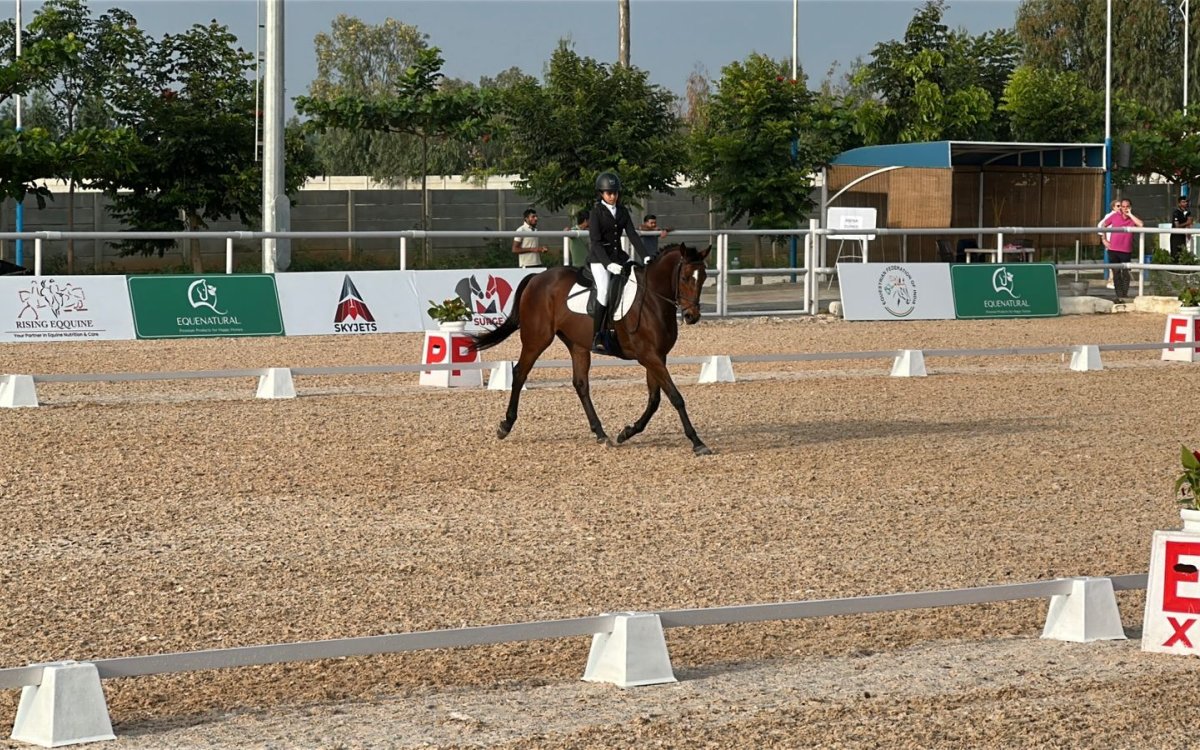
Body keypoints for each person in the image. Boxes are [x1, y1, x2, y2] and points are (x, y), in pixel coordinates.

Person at [588, 171, 648, 354]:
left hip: (619, 257)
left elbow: (632, 234)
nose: (612, 196)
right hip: (600, 260)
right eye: (608, 193)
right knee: (605, 291)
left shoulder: (622, 211)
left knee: (636, 282)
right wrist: (607, 264)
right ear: (601, 194)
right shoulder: (596, 212)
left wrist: (645, 255)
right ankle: (597, 336)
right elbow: (596, 242)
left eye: (615, 192)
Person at [1099, 198, 1143, 303]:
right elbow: (1103, 225)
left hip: (1126, 250)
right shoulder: (1114, 216)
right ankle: (1119, 295)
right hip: (1113, 249)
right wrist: (1104, 239)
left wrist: (1130, 214)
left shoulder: (1133, 218)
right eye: (1123, 206)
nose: (1124, 208)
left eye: (1127, 206)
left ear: (1130, 207)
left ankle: (1124, 294)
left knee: (1126, 273)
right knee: (1116, 273)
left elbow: (1141, 224)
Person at [1098, 199, 1120, 288]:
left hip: (1119, 243)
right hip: (1111, 242)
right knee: (1114, 262)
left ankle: (1115, 281)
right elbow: (1100, 226)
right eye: (1118, 206)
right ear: (1113, 207)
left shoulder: (1121, 216)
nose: (1120, 208)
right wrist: (1104, 239)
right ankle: (1111, 281)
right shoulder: (1109, 216)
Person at [1172, 195, 1193, 263]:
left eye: (1186, 202)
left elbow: (1189, 223)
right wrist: (1187, 223)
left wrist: (1189, 232)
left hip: (1183, 236)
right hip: (1176, 236)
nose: (1185, 203)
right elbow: (1177, 226)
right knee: (1175, 255)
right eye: (1183, 202)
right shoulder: (1176, 213)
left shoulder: (1188, 212)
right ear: (1179, 203)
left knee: (1182, 254)